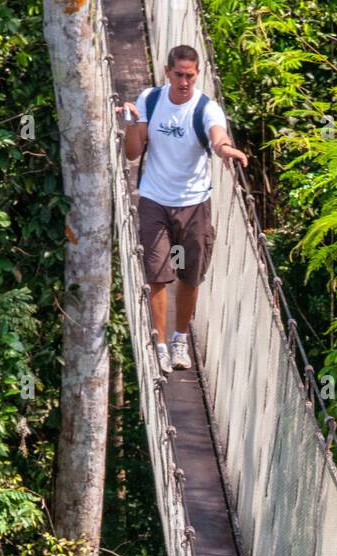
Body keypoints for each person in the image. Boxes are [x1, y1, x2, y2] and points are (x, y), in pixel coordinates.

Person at [115, 45, 247, 374]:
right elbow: (132, 154)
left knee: (189, 277)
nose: (184, 81)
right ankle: (160, 345)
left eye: (190, 75)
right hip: (155, 200)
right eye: (178, 75)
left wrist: (226, 149)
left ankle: (179, 338)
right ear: (167, 72)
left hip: (194, 203)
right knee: (158, 276)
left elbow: (217, 138)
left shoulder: (206, 108)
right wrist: (132, 123)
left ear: (198, 74)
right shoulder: (151, 100)